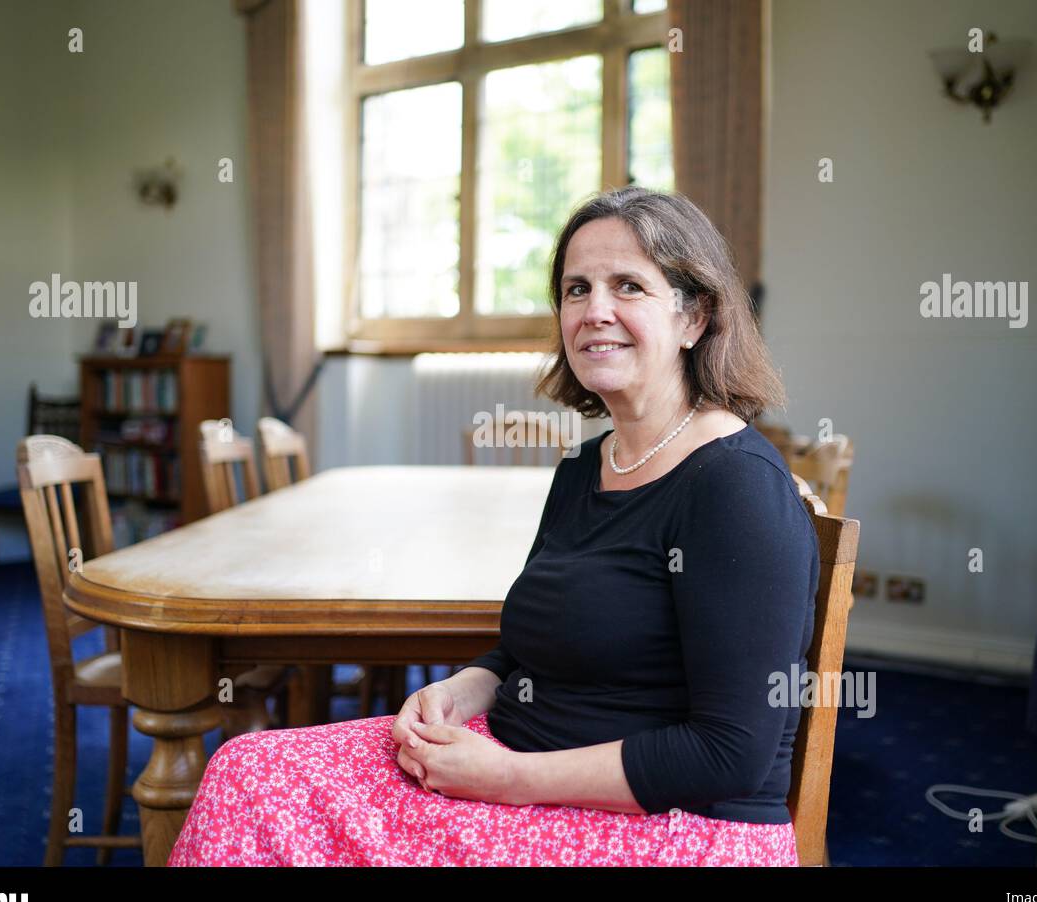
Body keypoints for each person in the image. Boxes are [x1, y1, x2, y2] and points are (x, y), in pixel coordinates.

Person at [168, 186, 820, 866]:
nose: (595, 311)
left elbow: (729, 755)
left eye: (629, 286)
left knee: (263, 797)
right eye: (576, 289)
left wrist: (506, 780)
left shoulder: (734, 485)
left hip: (674, 828)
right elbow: (526, 652)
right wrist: (457, 690)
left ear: (695, 317)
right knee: (246, 768)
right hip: (524, 764)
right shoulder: (586, 467)